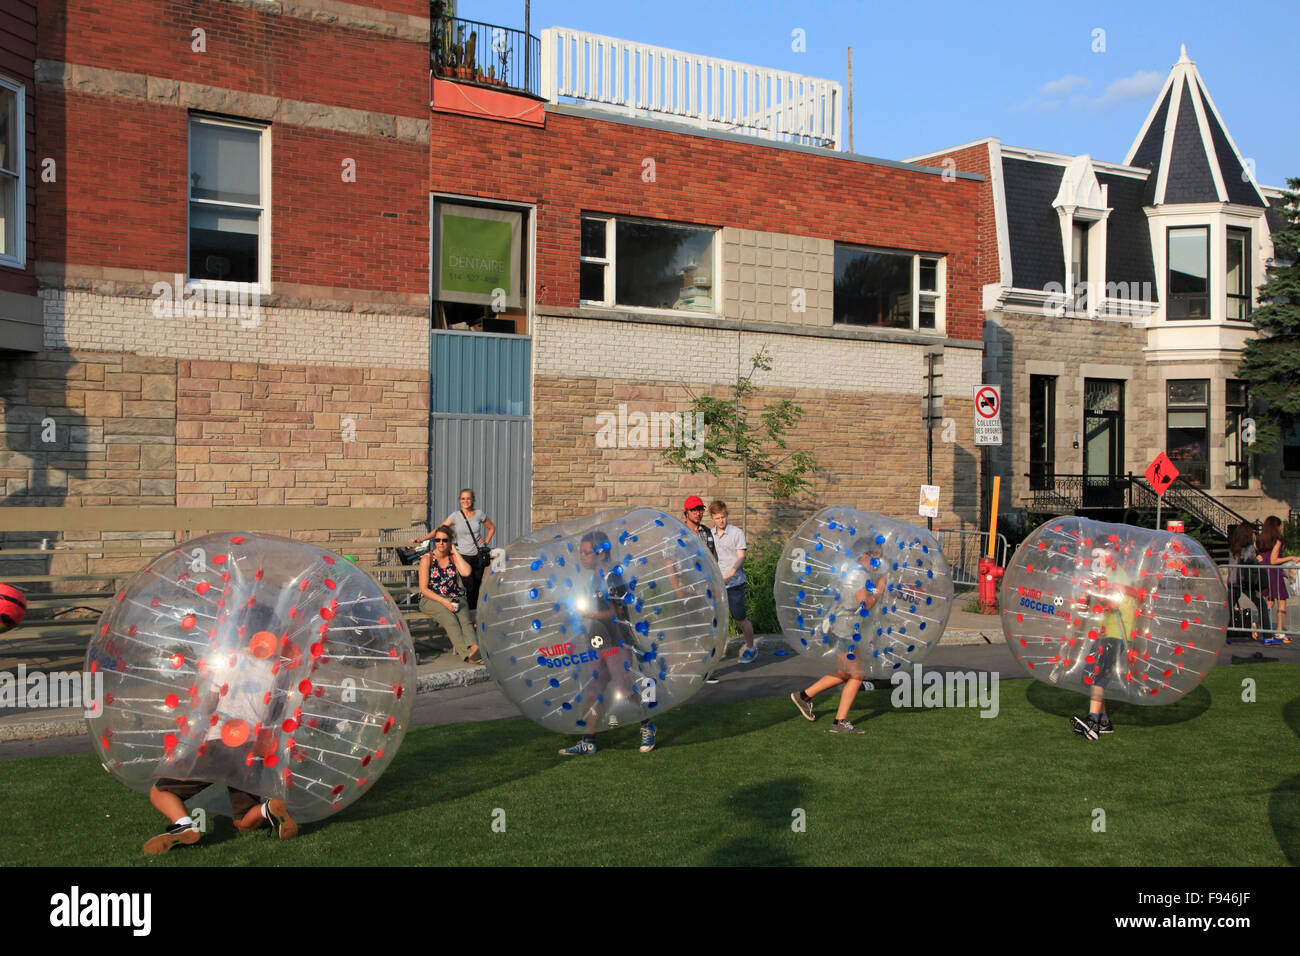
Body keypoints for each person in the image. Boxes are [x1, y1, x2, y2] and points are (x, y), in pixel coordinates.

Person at [559, 531, 657, 756]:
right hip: (598, 640)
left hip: (617, 640)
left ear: (600, 552)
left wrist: (590, 614)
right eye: (581, 553)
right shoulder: (594, 577)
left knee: (625, 687)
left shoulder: (613, 577)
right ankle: (588, 740)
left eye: (586, 553)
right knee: (593, 689)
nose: (582, 557)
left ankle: (647, 725)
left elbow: (618, 611)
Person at [789, 546, 886, 734]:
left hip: (842, 628)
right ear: (864, 555)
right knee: (857, 675)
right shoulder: (859, 576)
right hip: (844, 631)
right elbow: (865, 603)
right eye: (876, 559)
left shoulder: (853, 571)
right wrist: (880, 588)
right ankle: (839, 722)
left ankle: (803, 696)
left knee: (844, 673)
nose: (878, 564)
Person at [1069, 547, 1137, 740]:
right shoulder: (1099, 575)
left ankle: (1092, 721)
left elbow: (1114, 603)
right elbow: (1084, 607)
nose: (1096, 559)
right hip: (1106, 630)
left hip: (1118, 631)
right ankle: (1104, 721)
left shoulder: (1117, 573)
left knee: (1097, 673)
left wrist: (1093, 591)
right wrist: (1085, 596)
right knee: (1095, 673)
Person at [418, 524, 482, 664]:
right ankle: (467, 655)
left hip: (455, 596)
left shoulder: (453, 558)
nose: (441, 543)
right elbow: (423, 589)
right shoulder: (427, 559)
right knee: (450, 619)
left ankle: (476, 648)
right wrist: (443, 601)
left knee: (464, 618)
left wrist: (454, 551)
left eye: (445, 540)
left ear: (450, 542)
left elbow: (466, 572)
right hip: (431, 598)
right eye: (438, 540)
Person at [430, 489, 496, 621]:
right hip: (463, 556)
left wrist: (486, 541)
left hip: (477, 556)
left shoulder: (479, 514)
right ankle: (470, 615)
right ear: (460, 500)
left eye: (468, 498)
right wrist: (423, 539)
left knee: (477, 586)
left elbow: (492, 528)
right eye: (463, 498)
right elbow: (439, 530)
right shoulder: (455, 516)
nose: (466, 501)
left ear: (473, 500)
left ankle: (475, 616)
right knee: (468, 586)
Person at [680, 495, 722, 682]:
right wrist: (677, 589)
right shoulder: (679, 533)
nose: (698, 513)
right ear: (686, 512)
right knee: (689, 630)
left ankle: (705, 669)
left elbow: (713, 560)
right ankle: (689, 668)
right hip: (686, 588)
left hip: (705, 588)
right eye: (694, 510)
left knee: (706, 629)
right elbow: (669, 562)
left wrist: (714, 584)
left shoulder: (706, 532)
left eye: (700, 509)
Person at [709, 499, 756, 663]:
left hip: (735, 583)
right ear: (712, 518)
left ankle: (750, 648)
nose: (721, 520)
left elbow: (741, 557)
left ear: (726, 515)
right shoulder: (710, 535)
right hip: (717, 585)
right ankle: (713, 654)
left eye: (723, 517)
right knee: (715, 620)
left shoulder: (737, 533)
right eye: (717, 518)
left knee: (740, 618)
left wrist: (730, 574)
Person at [1258, 515, 1299, 642]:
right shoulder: (1277, 540)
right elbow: (1273, 560)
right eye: (1280, 525)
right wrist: (1291, 557)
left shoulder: (1261, 539)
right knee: (1281, 601)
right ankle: (1280, 632)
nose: (1282, 528)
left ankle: (1256, 625)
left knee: (1268, 602)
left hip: (1263, 571)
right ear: (1276, 526)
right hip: (1273, 573)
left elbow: (1260, 556)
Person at [1226, 522, 1269, 641]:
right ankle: (1268, 636)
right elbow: (1248, 561)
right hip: (1246, 581)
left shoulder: (1234, 547)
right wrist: (1257, 560)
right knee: (1262, 605)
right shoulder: (1248, 548)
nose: (1254, 535)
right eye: (1253, 533)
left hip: (1233, 580)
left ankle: (1222, 635)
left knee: (1228, 609)